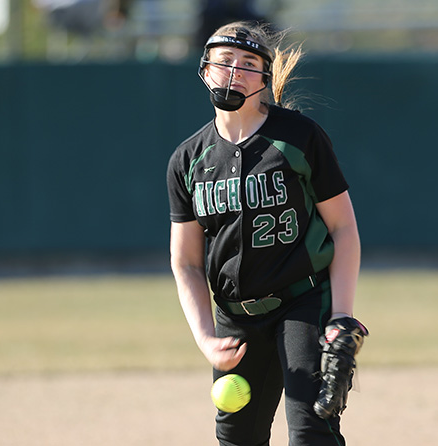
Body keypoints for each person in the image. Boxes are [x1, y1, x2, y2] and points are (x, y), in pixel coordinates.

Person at [166, 21, 368, 446]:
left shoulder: (297, 136)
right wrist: (205, 337)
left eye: (248, 63)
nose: (235, 71)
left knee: (313, 429)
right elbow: (185, 261)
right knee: (237, 439)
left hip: (303, 300)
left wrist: (341, 316)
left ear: (265, 77)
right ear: (205, 70)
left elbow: (343, 228)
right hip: (235, 316)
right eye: (224, 62)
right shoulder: (187, 160)